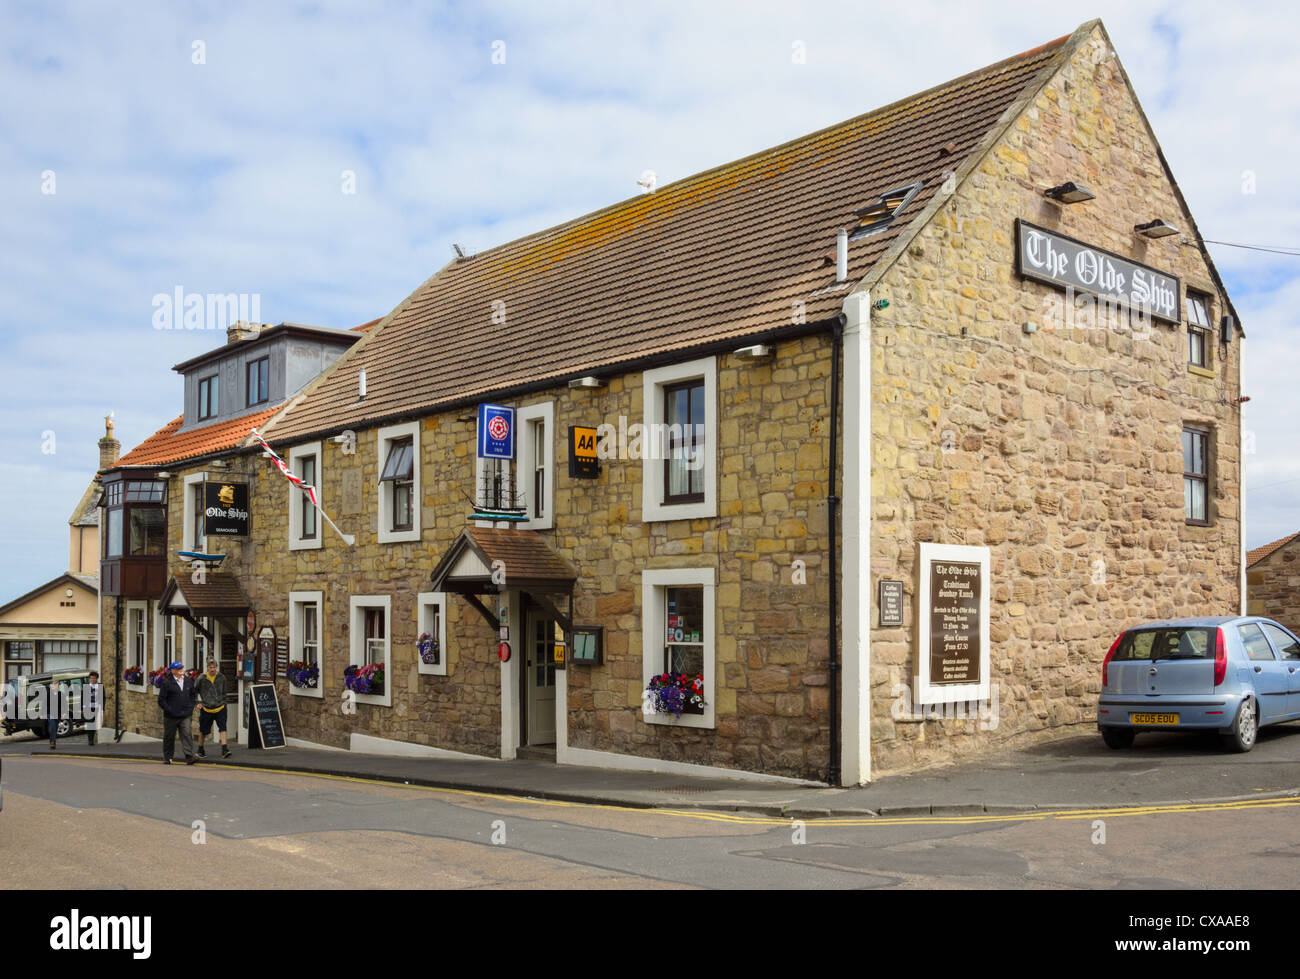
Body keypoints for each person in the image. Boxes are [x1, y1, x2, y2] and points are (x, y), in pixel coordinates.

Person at [158, 661, 197, 765]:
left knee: (187, 734)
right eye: (179, 668)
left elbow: (193, 696)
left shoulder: (188, 681)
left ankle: (189, 756)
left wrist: (190, 708)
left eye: (182, 668)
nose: (181, 670)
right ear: (173, 671)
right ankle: (168, 757)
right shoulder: (167, 683)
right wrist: (169, 709)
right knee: (169, 737)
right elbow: (161, 700)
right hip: (171, 716)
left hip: (185, 714)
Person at [194, 659, 231, 759]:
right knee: (203, 730)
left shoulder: (221, 677)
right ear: (207, 668)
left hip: (220, 707)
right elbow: (194, 691)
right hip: (206, 708)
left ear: (216, 667)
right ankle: (200, 750)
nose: (212, 669)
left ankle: (224, 749)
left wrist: (224, 702)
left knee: (223, 728)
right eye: (210, 667)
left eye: (214, 667)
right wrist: (198, 703)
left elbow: (224, 691)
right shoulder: (201, 678)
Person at [85, 671, 101, 746]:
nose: (92, 679)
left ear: (96, 678)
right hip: (88, 707)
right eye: (91, 678)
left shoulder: (100, 686)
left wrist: (102, 708)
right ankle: (90, 740)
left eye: (94, 678)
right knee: (89, 723)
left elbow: (103, 697)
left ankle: (92, 739)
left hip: (97, 707)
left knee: (94, 723)